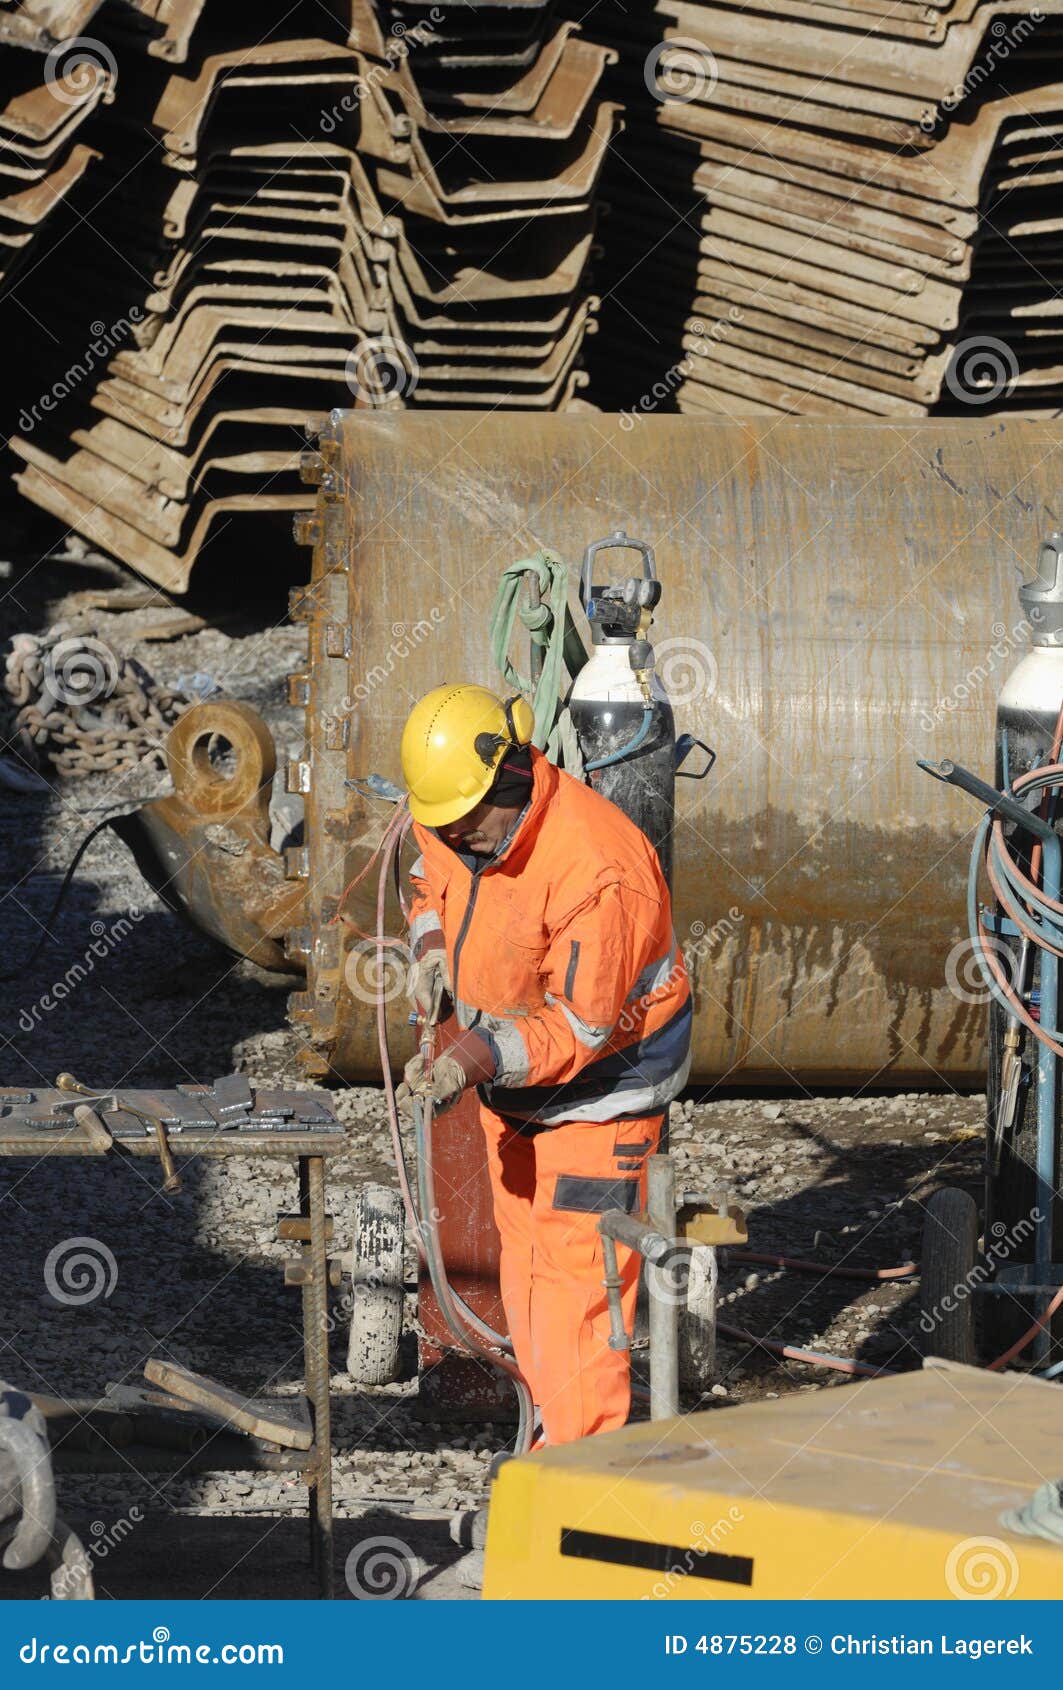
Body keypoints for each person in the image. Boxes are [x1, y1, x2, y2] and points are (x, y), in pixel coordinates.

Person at [397, 683, 691, 1445]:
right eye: (444, 824)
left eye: (465, 823)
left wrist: (473, 1055)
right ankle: (549, 1440)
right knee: (526, 1278)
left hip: (603, 1093)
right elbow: (427, 875)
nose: (455, 836)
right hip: (514, 1090)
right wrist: (431, 949)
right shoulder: (459, 817)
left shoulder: (595, 868)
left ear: (510, 776)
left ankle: (583, 1481)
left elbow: (581, 1027)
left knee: (577, 1299)